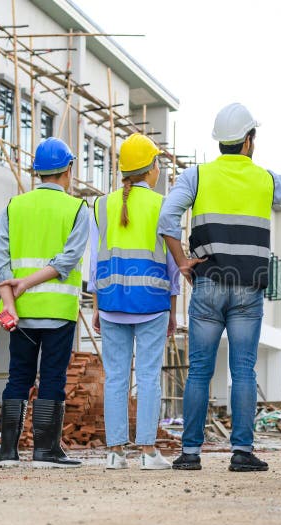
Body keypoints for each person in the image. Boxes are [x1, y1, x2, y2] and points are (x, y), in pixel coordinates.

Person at [158, 103, 281, 472]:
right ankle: (241, 451)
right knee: (244, 371)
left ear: (220, 142)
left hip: (207, 285)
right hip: (248, 289)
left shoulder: (197, 176)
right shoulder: (263, 179)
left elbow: (166, 219)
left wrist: (183, 261)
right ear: (248, 141)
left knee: (200, 371)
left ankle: (190, 453)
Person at [0, 137, 89, 468]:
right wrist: (28, 284)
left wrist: (11, 302)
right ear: (68, 170)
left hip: (21, 314)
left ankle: (7, 453)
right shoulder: (77, 209)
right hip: (58, 313)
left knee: (18, 376)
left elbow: (0, 263)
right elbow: (67, 260)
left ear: (37, 172)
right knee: (52, 379)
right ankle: (46, 451)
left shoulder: (13, 207)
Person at [89, 133, 179, 470]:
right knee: (149, 376)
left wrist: (97, 305)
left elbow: (94, 263)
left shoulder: (101, 205)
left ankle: (114, 453)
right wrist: (172, 309)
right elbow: (172, 263)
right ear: (152, 168)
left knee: (115, 377)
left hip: (112, 301)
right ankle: (147, 452)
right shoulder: (163, 205)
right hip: (153, 302)